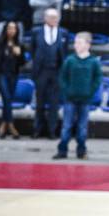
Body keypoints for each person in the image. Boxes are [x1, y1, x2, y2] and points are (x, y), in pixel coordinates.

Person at [54, 31, 101, 160]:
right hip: (70, 99)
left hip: (85, 100)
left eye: (79, 42)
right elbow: (62, 78)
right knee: (67, 126)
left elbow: (97, 79)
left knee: (82, 127)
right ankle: (62, 150)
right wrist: (67, 91)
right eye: (75, 43)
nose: (76, 45)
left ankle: (81, 151)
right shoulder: (70, 60)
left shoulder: (93, 62)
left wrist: (90, 91)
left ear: (87, 45)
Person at [28, 7, 69, 140]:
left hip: (57, 71)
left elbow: (65, 53)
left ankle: (52, 131)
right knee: (39, 103)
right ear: (45, 18)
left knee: (54, 104)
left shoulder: (64, 33)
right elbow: (33, 51)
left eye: (56, 17)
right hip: (41, 72)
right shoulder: (36, 32)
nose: (55, 20)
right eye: (52, 17)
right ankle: (37, 129)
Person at [0, 20, 26, 139]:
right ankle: (11, 126)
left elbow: (23, 63)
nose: (11, 30)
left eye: (14, 28)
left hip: (13, 74)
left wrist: (19, 55)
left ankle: (4, 123)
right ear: (5, 29)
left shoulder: (20, 44)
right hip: (0, 74)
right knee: (7, 97)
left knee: (8, 100)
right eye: (9, 28)